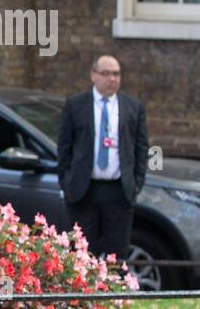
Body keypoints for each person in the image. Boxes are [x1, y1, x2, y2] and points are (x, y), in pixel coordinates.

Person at [56, 54, 149, 264]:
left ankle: (115, 295)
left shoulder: (133, 107)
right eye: (106, 73)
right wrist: (66, 182)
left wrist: (136, 184)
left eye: (116, 74)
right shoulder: (75, 106)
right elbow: (64, 148)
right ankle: (83, 296)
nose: (112, 79)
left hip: (118, 190)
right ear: (93, 76)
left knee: (117, 256)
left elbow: (141, 148)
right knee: (83, 253)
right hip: (83, 190)